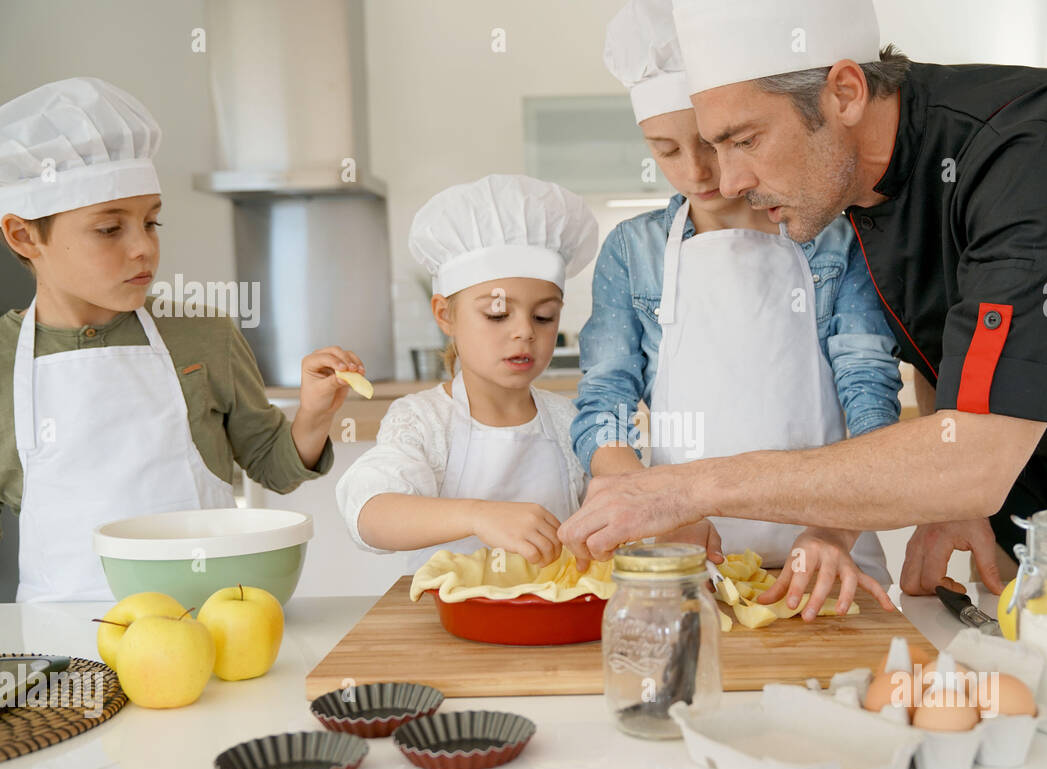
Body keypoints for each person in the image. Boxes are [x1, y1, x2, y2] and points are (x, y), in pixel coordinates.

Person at [559, 0, 1047, 598]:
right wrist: (954, 502)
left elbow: (973, 453)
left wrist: (688, 488)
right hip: (1031, 487)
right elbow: (948, 342)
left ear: (845, 91)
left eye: (743, 139)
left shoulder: (1039, 158)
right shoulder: (856, 178)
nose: (727, 181)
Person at [575, 0, 901, 616]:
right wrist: (651, 502)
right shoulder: (634, 251)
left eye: (709, 142)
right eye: (665, 150)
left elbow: (870, 394)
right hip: (683, 556)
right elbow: (605, 401)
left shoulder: (835, 236)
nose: (698, 172)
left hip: (829, 554)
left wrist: (834, 529)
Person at [0, 77, 358, 602]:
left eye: (152, 221)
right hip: (63, 640)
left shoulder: (203, 335)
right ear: (24, 235)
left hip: (210, 615)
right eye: (109, 229)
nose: (144, 247)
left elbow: (272, 468)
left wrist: (314, 414)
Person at [336, 174, 596, 569]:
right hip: (451, 624)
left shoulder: (568, 421)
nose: (525, 330)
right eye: (497, 314)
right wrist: (478, 514)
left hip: (554, 622)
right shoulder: (423, 421)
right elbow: (369, 515)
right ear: (446, 315)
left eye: (544, 316)